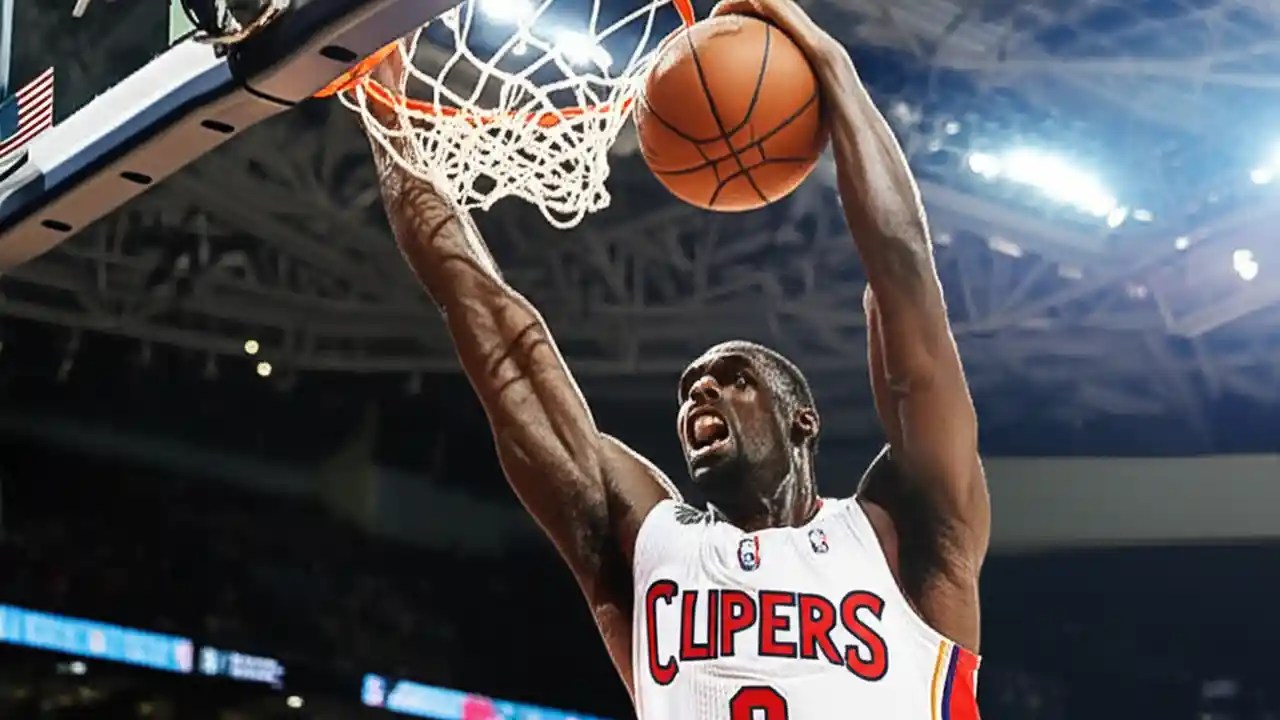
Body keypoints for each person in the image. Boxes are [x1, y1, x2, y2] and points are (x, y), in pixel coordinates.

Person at [361, 0, 989, 716]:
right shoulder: (645, 540)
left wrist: (829, 62)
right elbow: (493, 328)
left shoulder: (899, 533)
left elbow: (905, 281)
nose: (702, 394)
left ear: (803, 421)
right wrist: (387, 114)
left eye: (736, 380)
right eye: (691, 388)